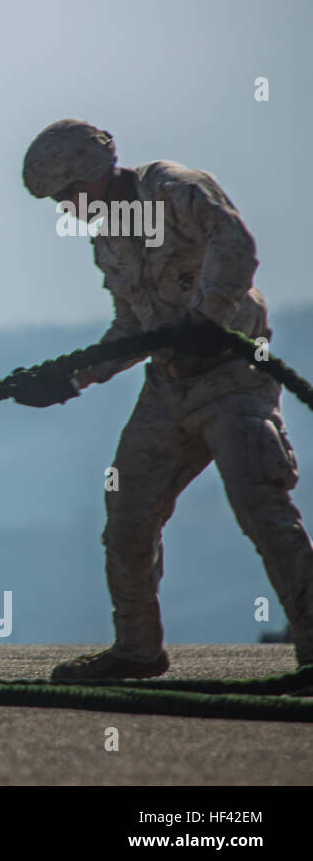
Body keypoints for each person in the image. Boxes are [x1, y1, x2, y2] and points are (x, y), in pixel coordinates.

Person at [17, 118, 313, 680]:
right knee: (127, 516)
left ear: (90, 177)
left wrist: (210, 317)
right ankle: (137, 650)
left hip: (233, 380)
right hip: (169, 389)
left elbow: (236, 245)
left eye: (66, 196)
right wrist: (69, 378)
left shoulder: (177, 190)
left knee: (263, 509)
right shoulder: (108, 232)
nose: (66, 209)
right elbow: (132, 327)